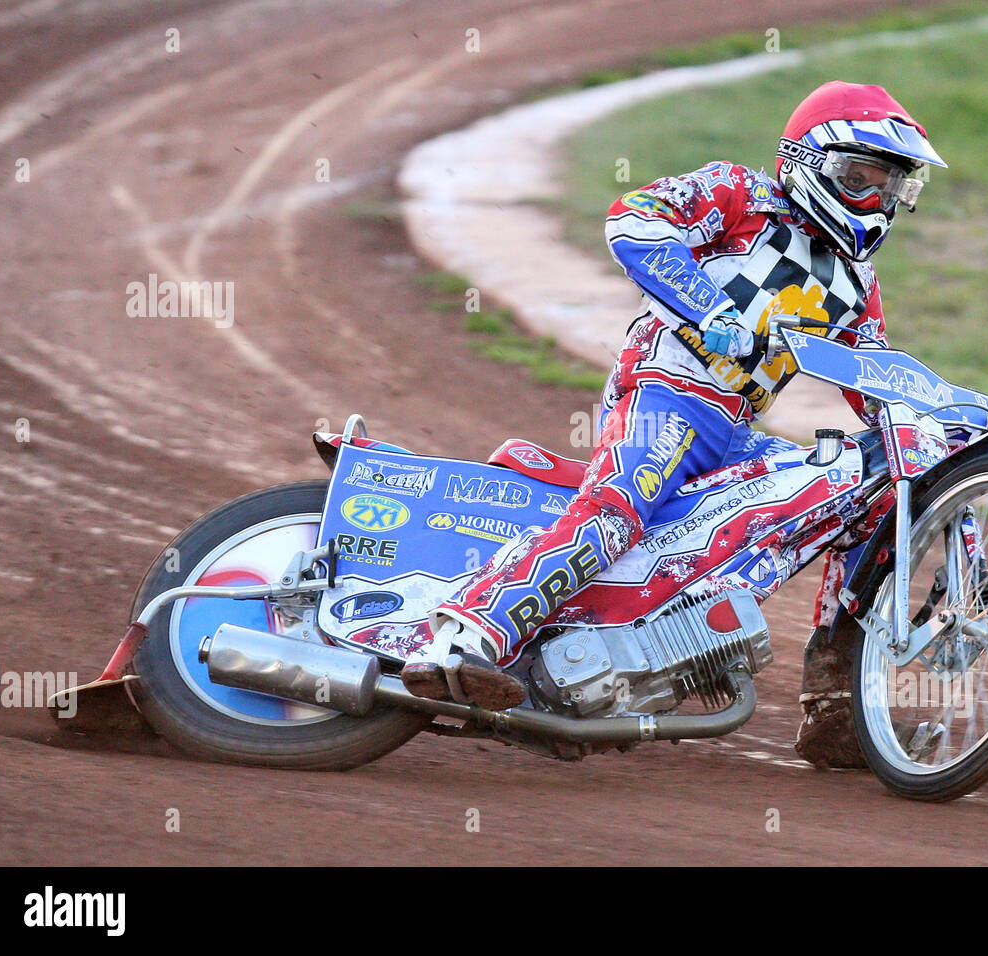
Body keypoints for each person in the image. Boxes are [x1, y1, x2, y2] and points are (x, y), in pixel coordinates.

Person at [403, 81, 946, 769]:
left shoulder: (857, 282)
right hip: (666, 389)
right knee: (619, 511)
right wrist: (709, 311)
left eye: (890, 184)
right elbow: (635, 219)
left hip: (736, 427)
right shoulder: (740, 193)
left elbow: (870, 373)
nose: (876, 198)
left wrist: (938, 420)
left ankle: (836, 705)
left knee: (864, 496)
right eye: (859, 177)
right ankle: (466, 638)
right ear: (808, 161)